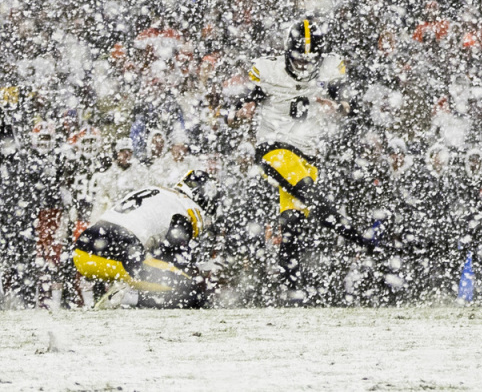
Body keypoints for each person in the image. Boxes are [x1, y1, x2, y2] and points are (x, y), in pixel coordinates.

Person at [247, 16, 370, 303]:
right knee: (308, 192)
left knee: (293, 221)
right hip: (274, 146)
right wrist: (239, 107)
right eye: (298, 59)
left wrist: (342, 105)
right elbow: (241, 100)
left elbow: (348, 100)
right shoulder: (268, 70)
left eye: (309, 60)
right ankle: (356, 237)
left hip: (308, 152)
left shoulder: (330, 67)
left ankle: (291, 288)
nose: (303, 66)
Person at [72, 171, 217, 309]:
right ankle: (127, 297)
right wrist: (194, 271)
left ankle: (121, 291)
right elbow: (173, 255)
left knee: (152, 269)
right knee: (189, 291)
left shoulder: (156, 190)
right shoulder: (186, 206)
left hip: (83, 249)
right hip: (118, 252)